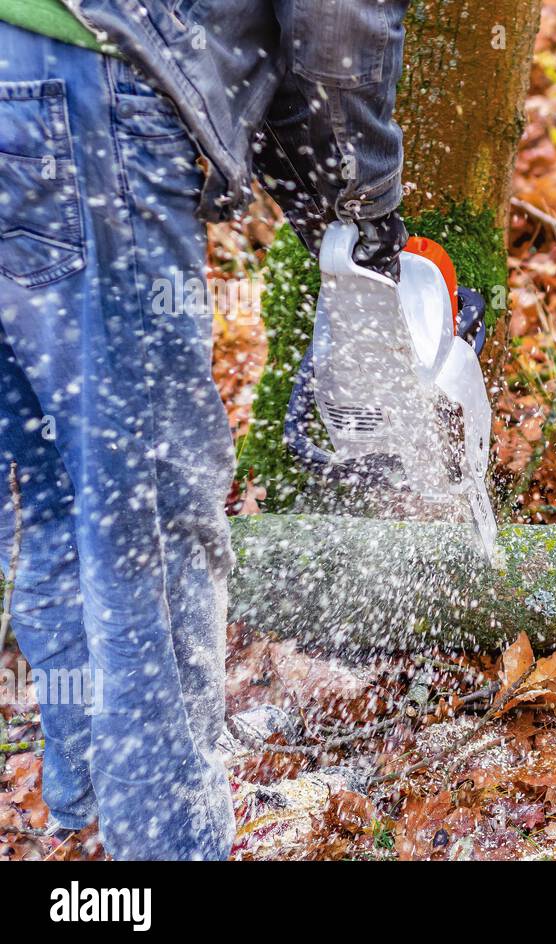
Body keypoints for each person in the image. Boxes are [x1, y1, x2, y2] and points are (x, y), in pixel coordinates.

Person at [0, 0, 410, 860]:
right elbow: (335, 27)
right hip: (90, 82)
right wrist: (360, 215)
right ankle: (165, 851)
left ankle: (86, 832)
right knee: (146, 517)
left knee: (57, 483)